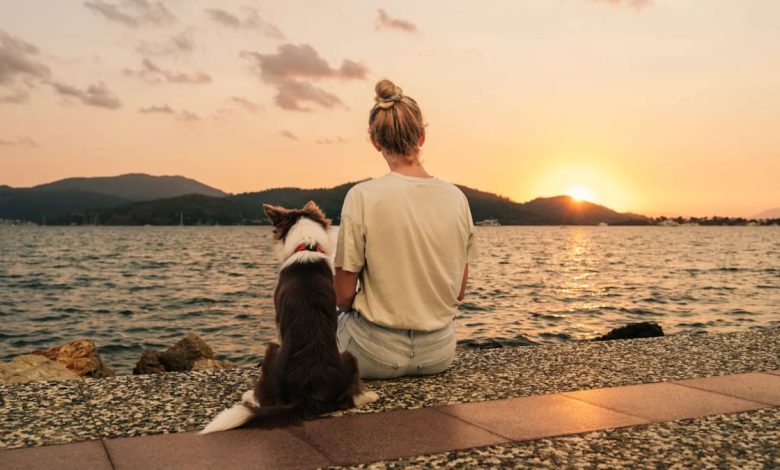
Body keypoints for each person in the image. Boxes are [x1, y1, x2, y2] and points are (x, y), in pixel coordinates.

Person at [334, 79, 478, 379]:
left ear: (375, 142)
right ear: (422, 136)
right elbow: (459, 291)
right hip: (439, 352)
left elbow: (343, 296)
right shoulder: (457, 198)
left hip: (372, 353)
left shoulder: (362, 196)